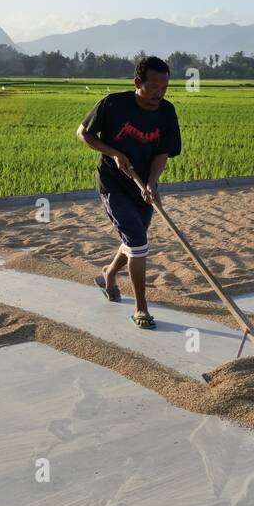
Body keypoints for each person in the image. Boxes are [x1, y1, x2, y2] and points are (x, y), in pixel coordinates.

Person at [75, 55, 181, 329]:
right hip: (114, 183)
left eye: (164, 88)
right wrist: (115, 153)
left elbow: (162, 151)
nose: (159, 93)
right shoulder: (114, 104)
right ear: (137, 82)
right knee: (137, 241)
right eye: (153, 87)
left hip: (144, 186)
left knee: (135, 242)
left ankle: (108, 274)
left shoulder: (166, 112)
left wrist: (152, 182)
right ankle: (140, 308)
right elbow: (83, 133)